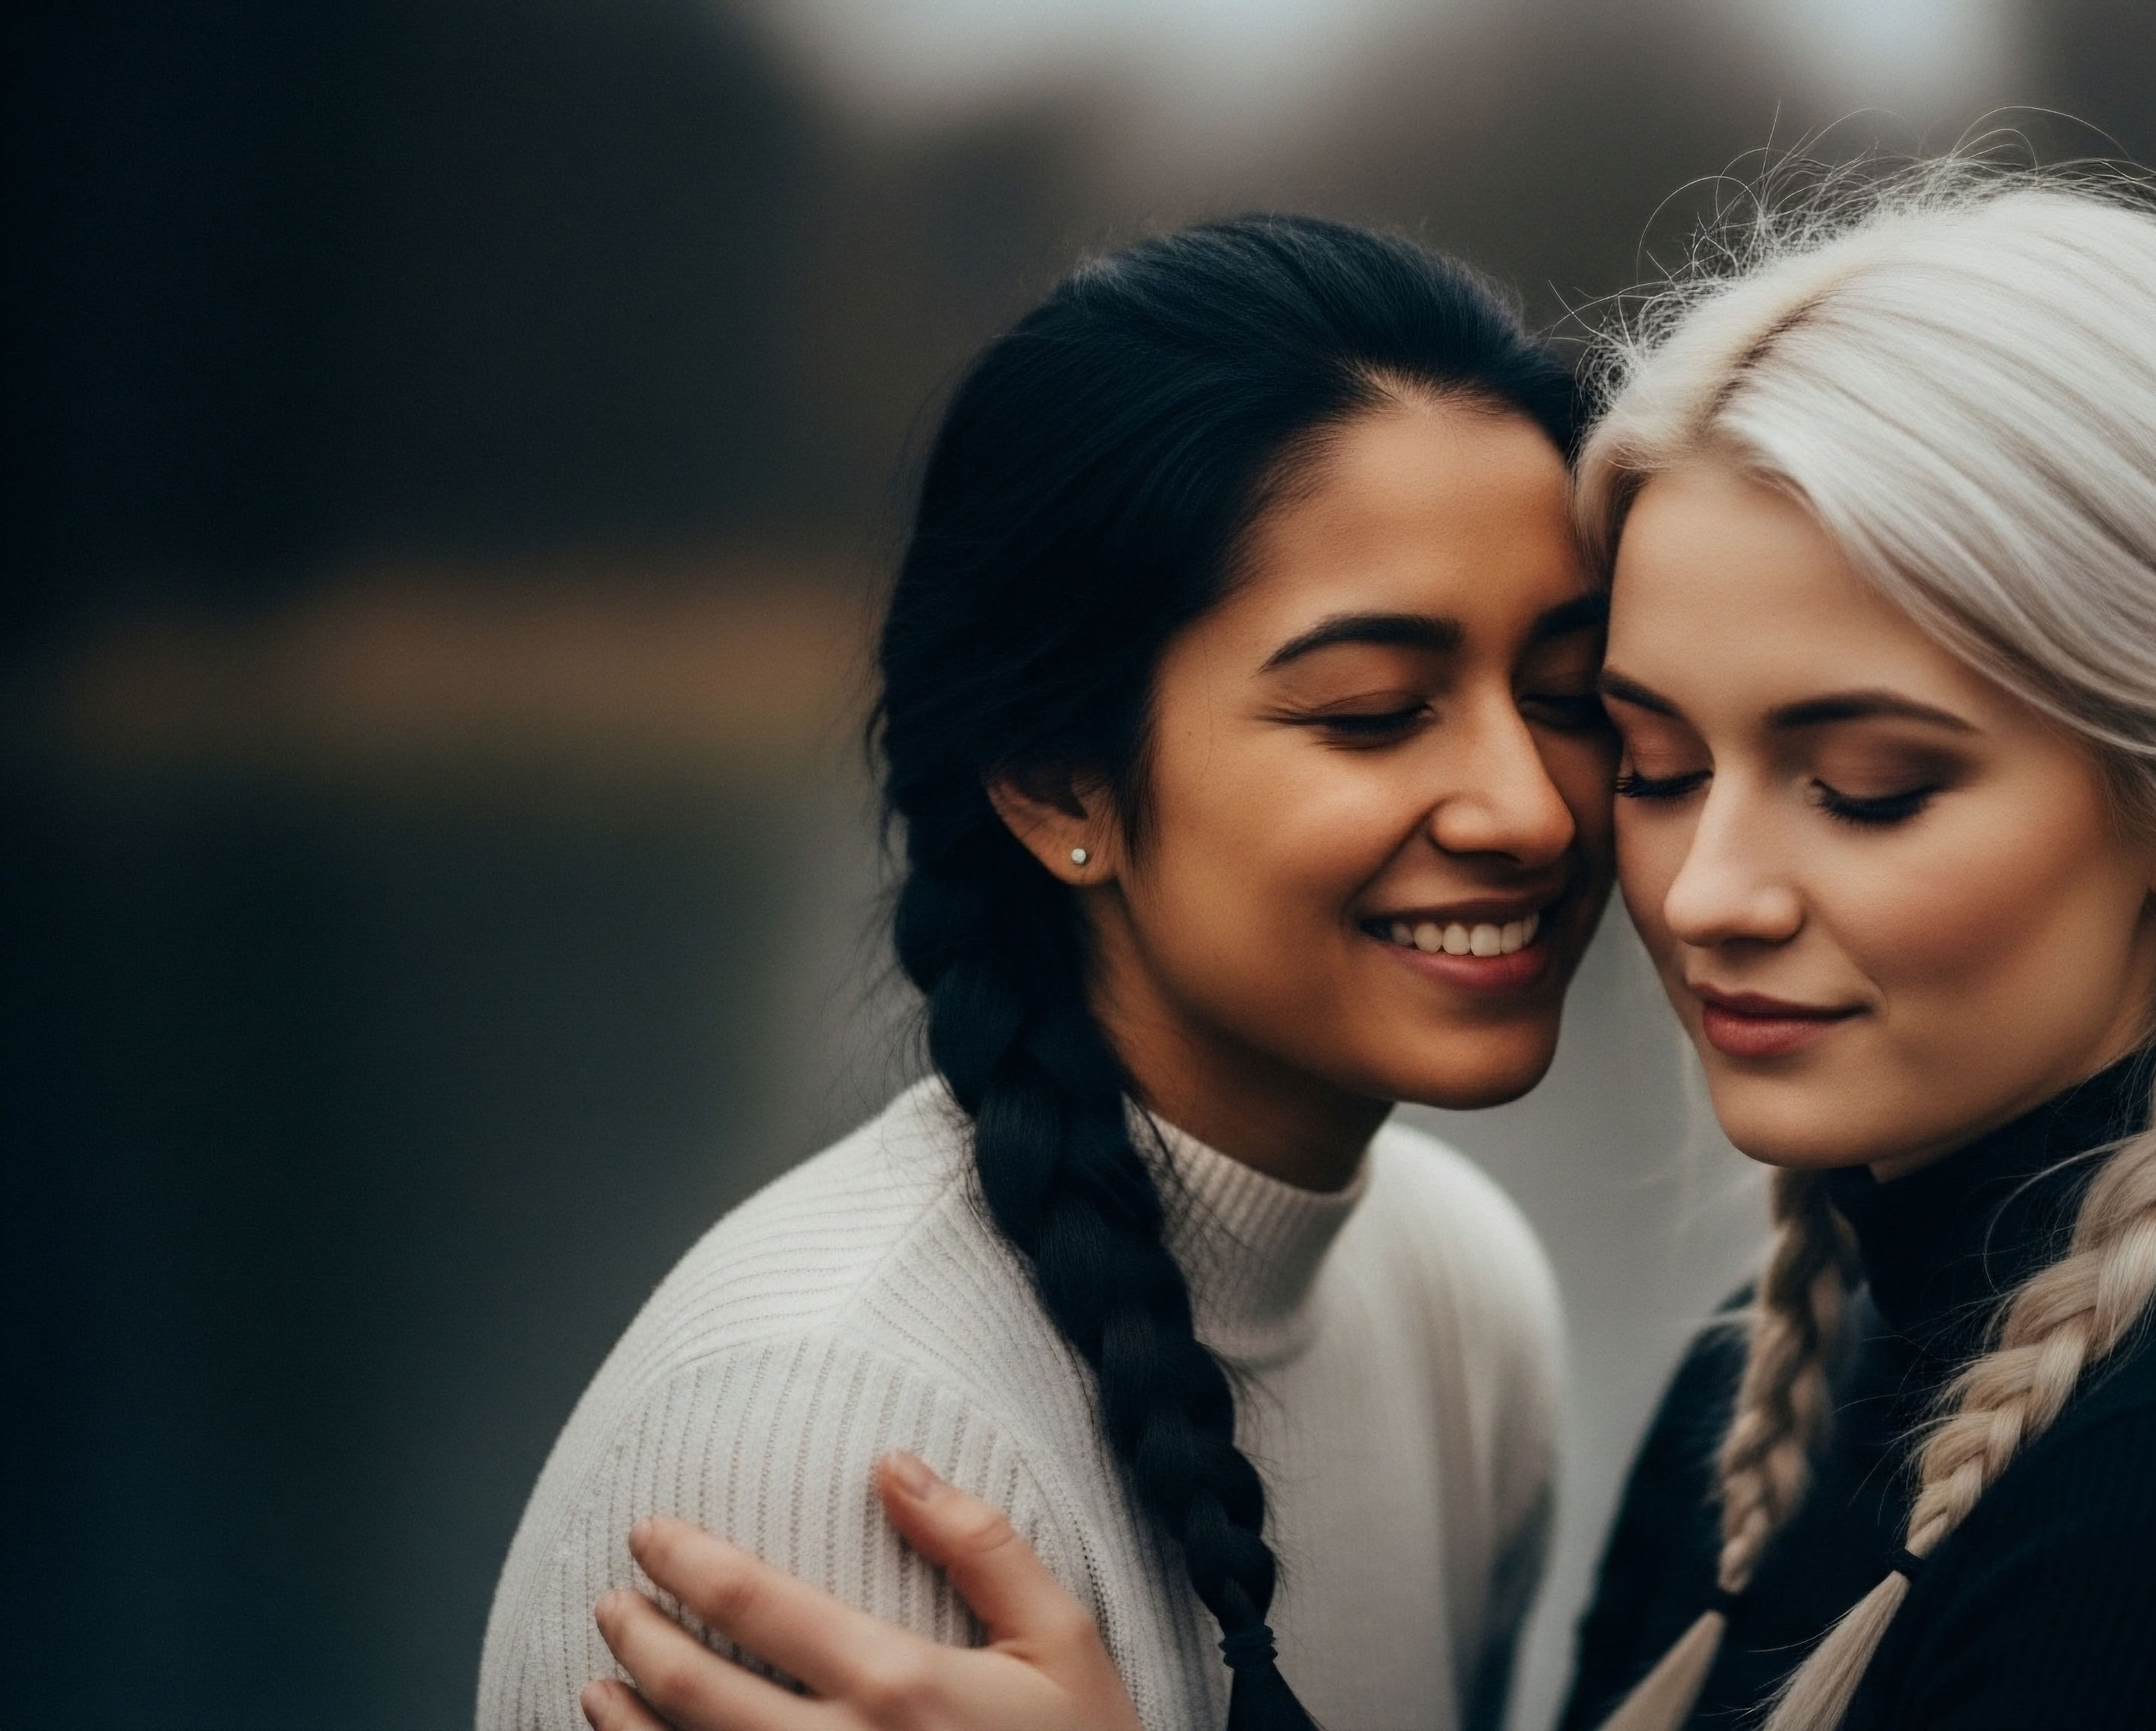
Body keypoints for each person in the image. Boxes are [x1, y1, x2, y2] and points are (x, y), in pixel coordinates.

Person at [576, 168, 2156, 1731]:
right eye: (1651, 755)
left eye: (1869, 784)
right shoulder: (1757, 1425)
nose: (1692, 885)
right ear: (1052, 782)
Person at [479, 213, 1614, 1731]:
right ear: (1060, 785)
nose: (1532, 808)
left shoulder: (1458, 1304)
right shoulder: (831, 1439)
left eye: (1565, 692)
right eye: (1372, 709)